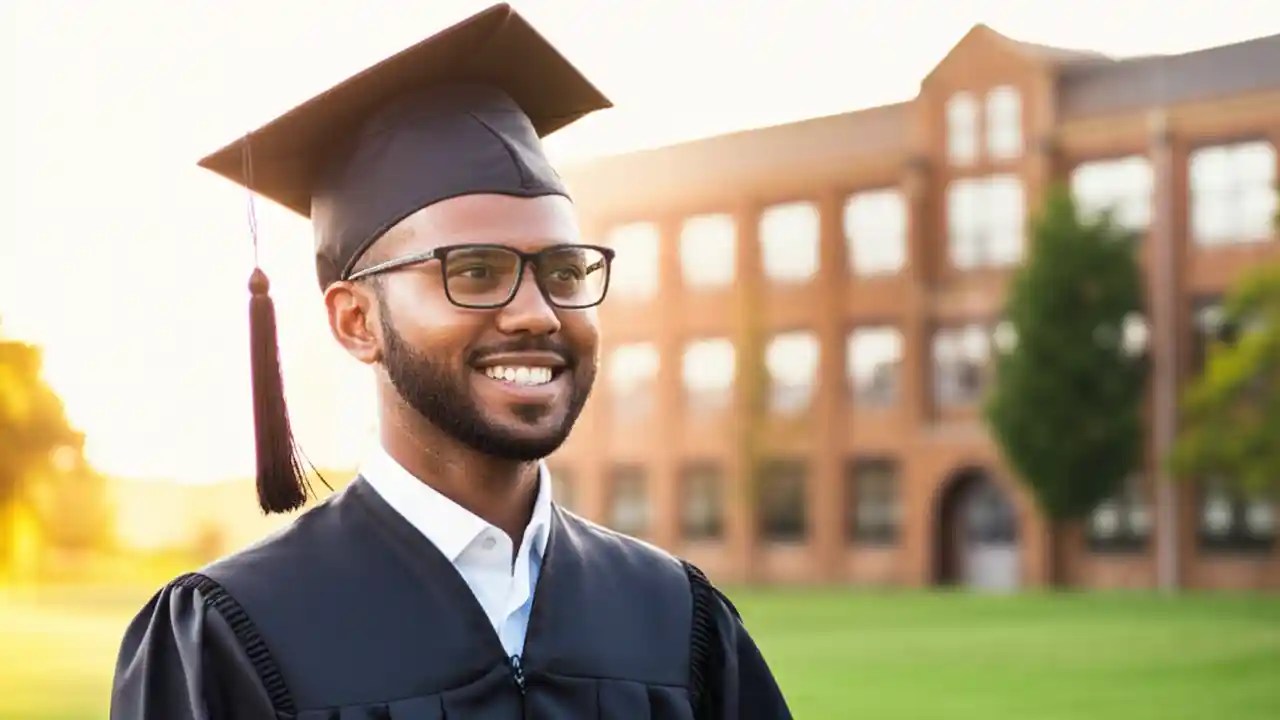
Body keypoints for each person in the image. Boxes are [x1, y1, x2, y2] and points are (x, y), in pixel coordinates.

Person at [110, 5, 791, 719]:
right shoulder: (237, 632)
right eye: (474, 271)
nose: (536, 310)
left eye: (562, 270)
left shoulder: (677, 621)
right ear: (356, 321)